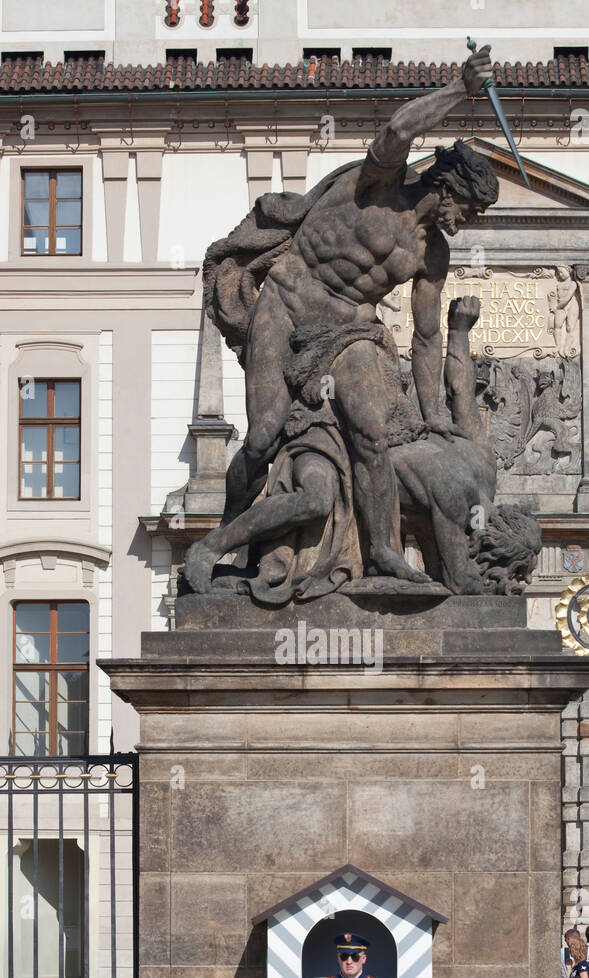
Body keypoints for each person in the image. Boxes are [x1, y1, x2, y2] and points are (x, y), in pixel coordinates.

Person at [189, 45, 498, 592]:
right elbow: (399, 130)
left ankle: (381, 551)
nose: (467, 222)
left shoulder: (433, 256)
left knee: (373, 432)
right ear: (447, 187)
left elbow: (426, 339)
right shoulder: (377, 184)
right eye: (469, 209)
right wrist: (460, 91)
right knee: (261, 438)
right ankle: (225, 540)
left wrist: (434, 418)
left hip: (351, 332)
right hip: (287, 305)